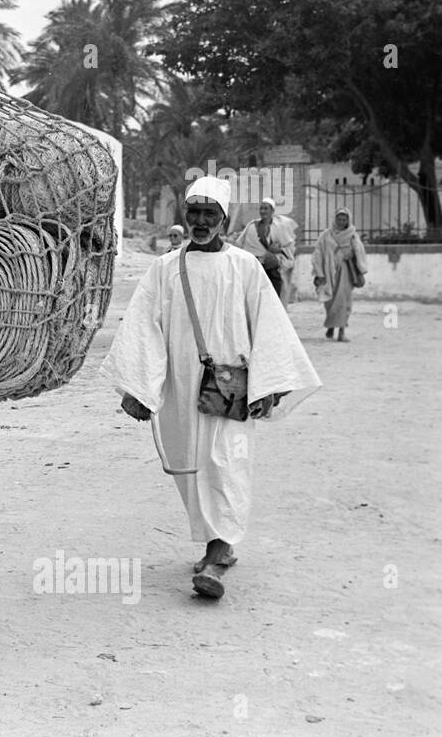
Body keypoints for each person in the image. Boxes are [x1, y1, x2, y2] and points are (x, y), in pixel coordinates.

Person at [100, 176, 321, 599]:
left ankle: (218, 553)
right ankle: (215, 541)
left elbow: (269, 326)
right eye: (194, 213)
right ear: (185, 215)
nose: (201, 222)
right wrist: (139, 388)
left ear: (224, 218)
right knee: (191, 465)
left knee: (227, 462)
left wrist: (268, 385)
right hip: (181, 388)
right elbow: (144, 327)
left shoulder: (244, 266)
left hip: (231, 386)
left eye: (210, 214)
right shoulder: (165, 268)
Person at [312, 207, 368, 342]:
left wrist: (352, 253)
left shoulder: (352, 234)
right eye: (339, 218)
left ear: (348, 220)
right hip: (328, 271)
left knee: (343, 300)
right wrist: (319, 273)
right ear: (335, 218)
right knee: (329, 301)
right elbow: (318, 253)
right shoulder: (326, 235)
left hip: (345, 271)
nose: (341, 221)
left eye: (344, 219)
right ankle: (331, 326)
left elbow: (360, 251)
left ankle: (341, 331)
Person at [230, 197, 295, 302]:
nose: (263, 211)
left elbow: (288, 247)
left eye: (266, 209)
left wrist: (278, 250)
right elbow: (241, 242)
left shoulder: (280, 227)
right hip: (255, 266)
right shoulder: (252, 225)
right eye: (261, 209)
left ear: (272, 211)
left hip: (272, 267)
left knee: (273, 296)